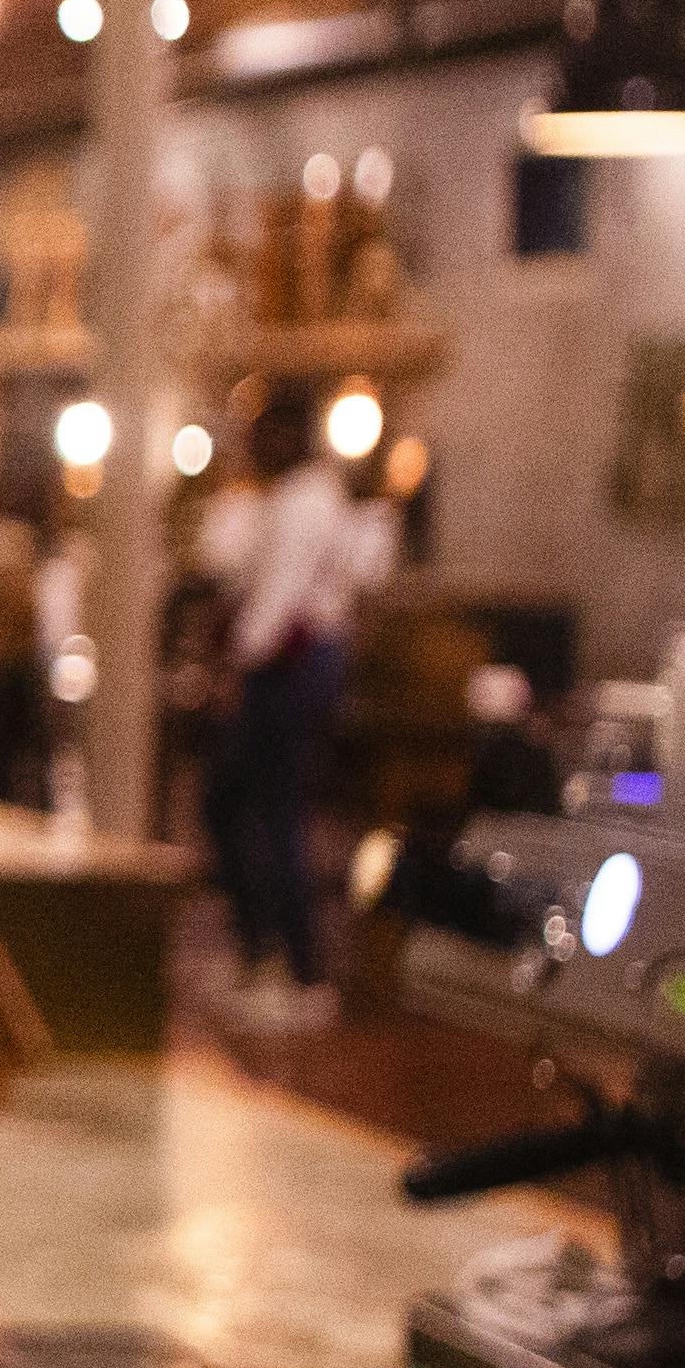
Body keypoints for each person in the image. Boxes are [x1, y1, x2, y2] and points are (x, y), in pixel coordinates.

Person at [196, 387, 395, 1031]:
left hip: (287, 668)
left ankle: (293, 967)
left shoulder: (305, 502)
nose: (253, 446)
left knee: (263, 811)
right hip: (295, 666)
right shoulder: (301, 498)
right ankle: (263, 954)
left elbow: (277, 600)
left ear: (288, 433)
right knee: (248, 808)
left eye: (262, 432)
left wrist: (237, 661)